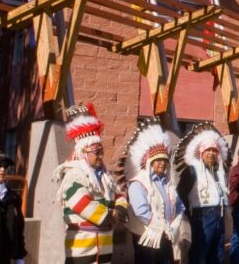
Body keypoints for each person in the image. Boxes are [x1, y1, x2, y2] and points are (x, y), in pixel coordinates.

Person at [54, 103, 129, 263]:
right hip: (82, 245)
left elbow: (118, 194)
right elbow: (81, 202)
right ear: (83, 152)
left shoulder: (104, 175)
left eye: (101, 152)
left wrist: (119, 208)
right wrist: (109, 215)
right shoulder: (74, 173)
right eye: (96, 152)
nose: (100, 156)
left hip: (105, 243)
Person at [123, 119, 184, 264]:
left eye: (164, 160)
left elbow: (180, 206)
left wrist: (173, 226)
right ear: (150, 162)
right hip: (146, 235)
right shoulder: (138, 182)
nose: (162, 163)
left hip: (166, 234)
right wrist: (161, 225)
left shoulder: (168, 183)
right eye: (158, 160)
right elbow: (141, 210)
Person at [176, 124, 229, 264]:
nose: (211, 153)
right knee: (200, 251)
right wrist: (190, 212)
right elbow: (180, 193)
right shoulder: (192, 170)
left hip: (220, 213)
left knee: (217, 251)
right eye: (208, 150)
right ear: (201, 152)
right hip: (202, 215)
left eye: (214, 150)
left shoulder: (219, 171)